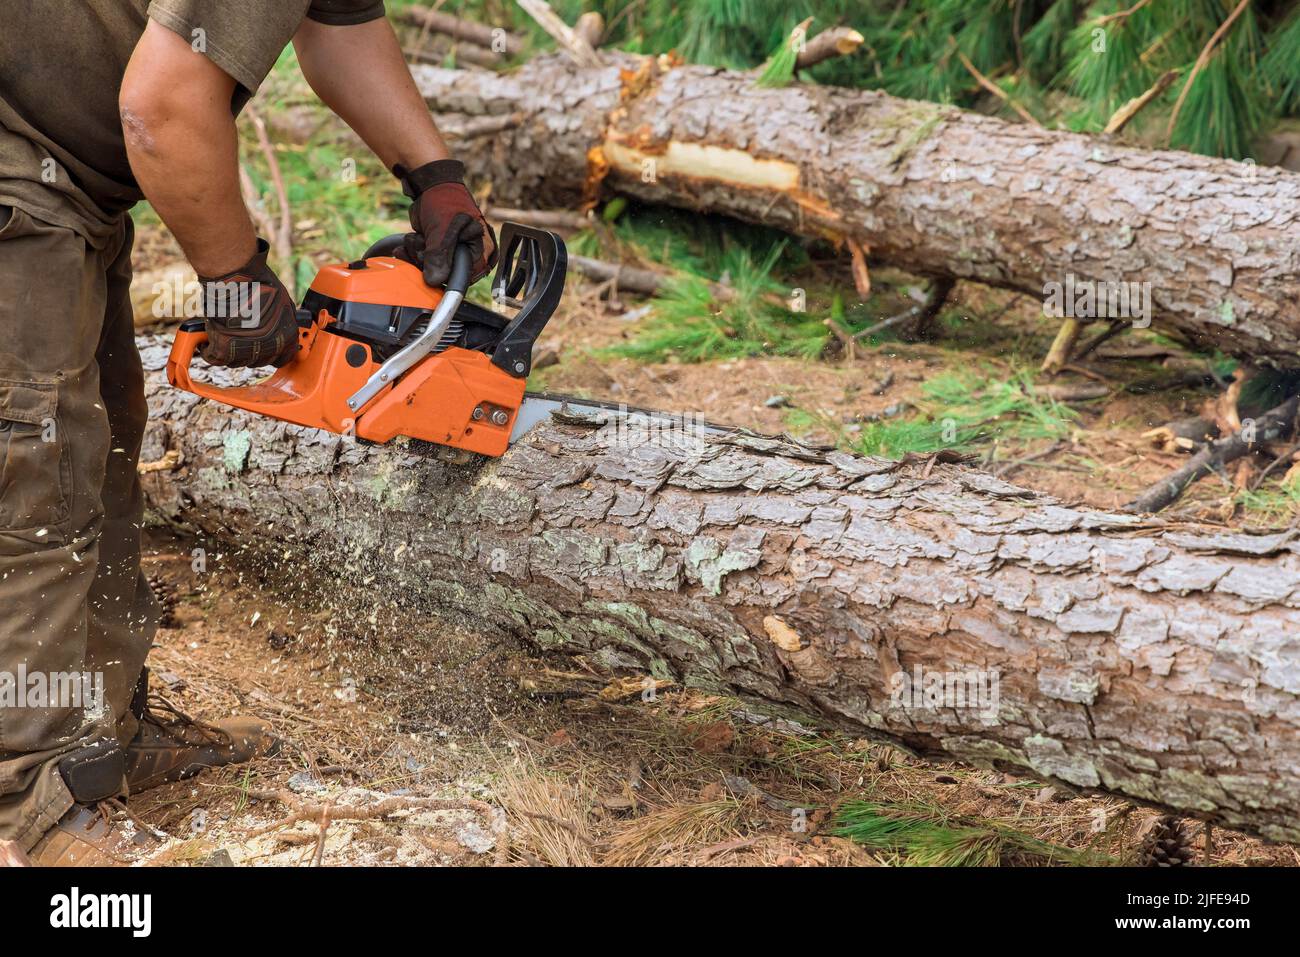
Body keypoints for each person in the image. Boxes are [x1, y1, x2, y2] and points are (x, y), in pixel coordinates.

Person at [0, 0, 495, 866]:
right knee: (35, 479)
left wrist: (435, 177)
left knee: (107, 441)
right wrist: (234, 275)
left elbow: (338, 24)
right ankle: (27, 794)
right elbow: (160, 109)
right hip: (17, 173)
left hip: (65, 182)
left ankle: (96, 731)